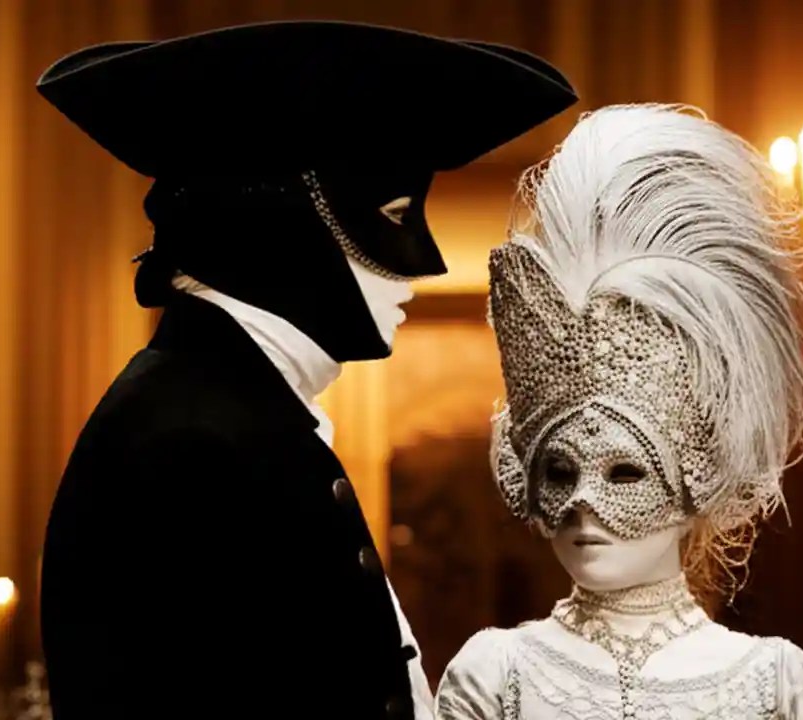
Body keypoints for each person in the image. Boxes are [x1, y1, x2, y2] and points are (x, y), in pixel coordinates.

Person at [33, 20, 578, 718]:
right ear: (290, 231)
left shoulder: (231, 414)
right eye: (393, 215)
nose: (422, 270)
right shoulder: (191, 447)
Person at [436, 104, 803, 719]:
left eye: (626, 472)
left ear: (695, 476)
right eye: (560, 473)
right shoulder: (494, 676)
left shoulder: (776, 684)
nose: (582, 505)